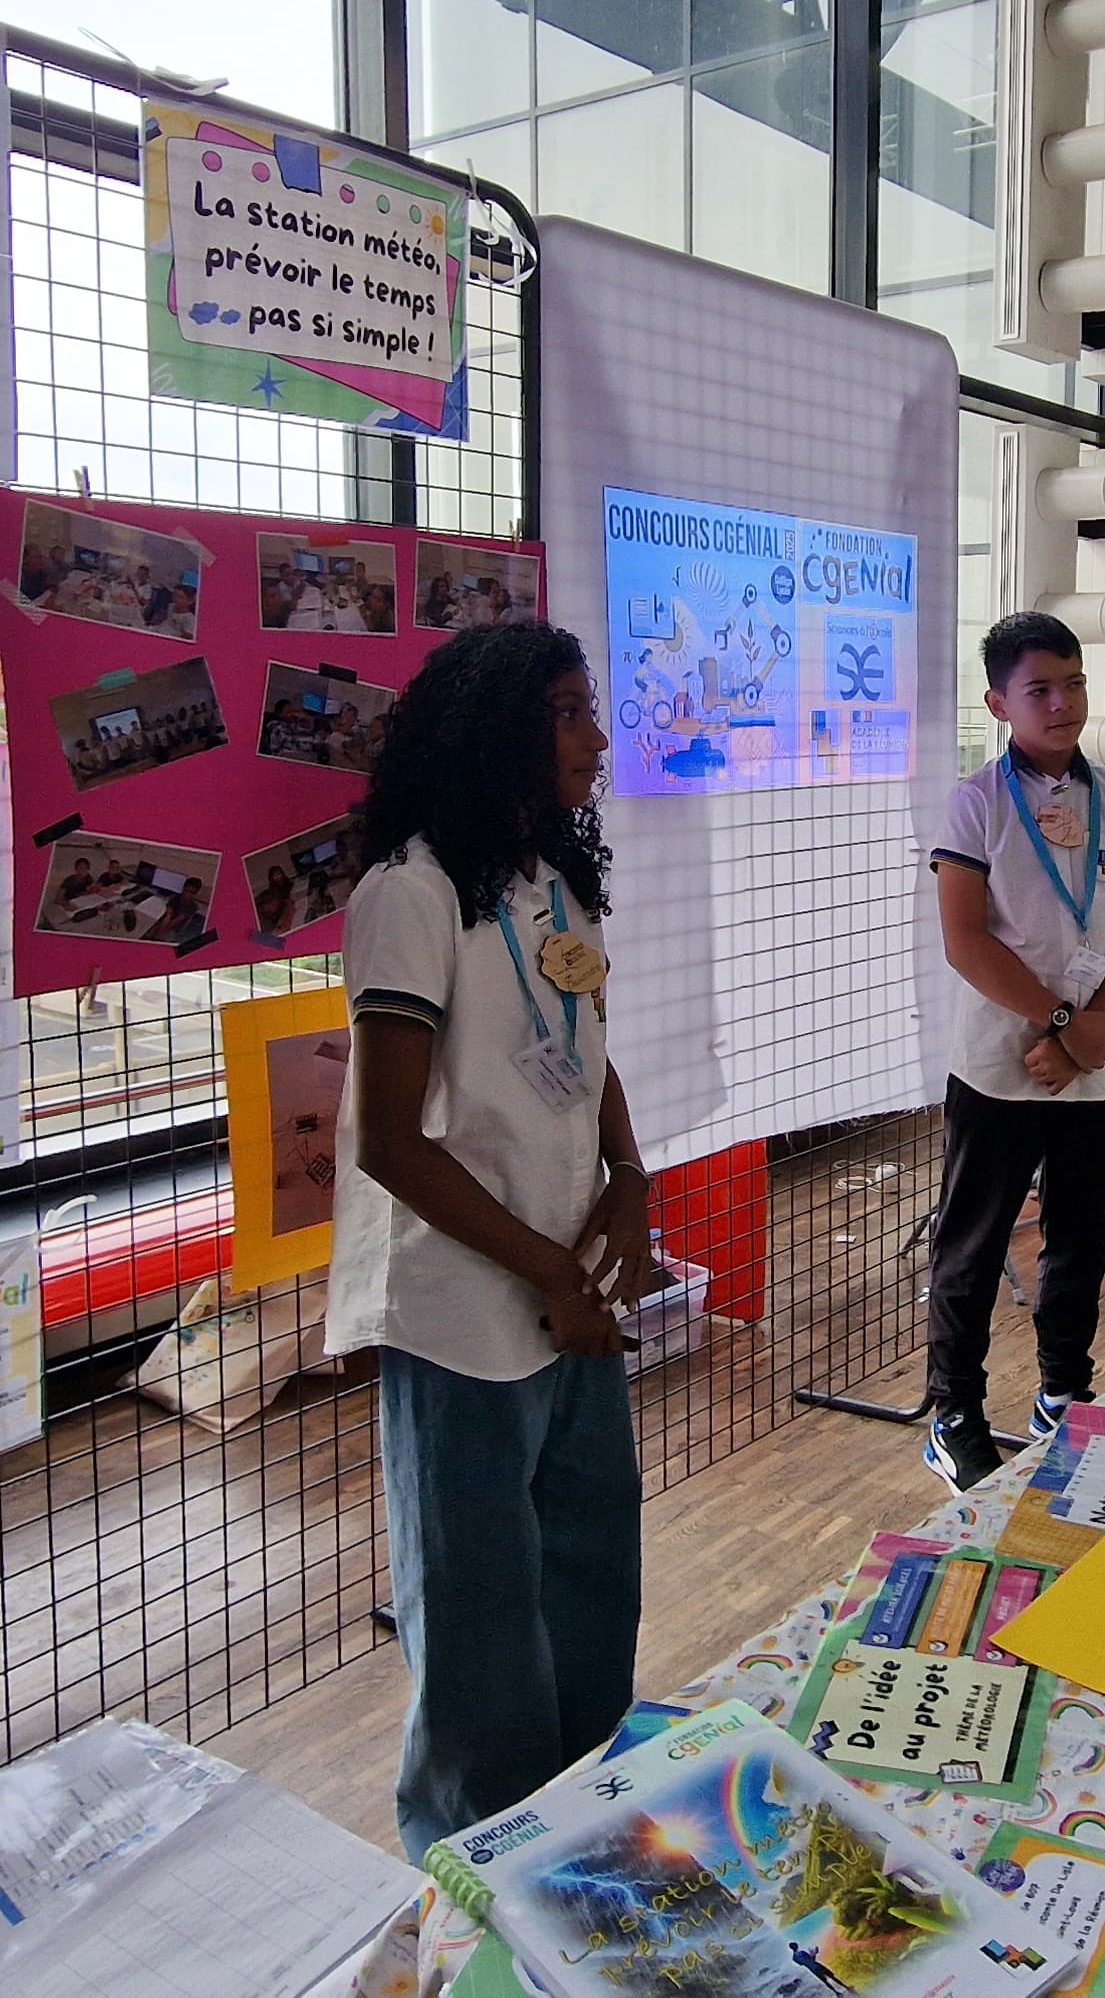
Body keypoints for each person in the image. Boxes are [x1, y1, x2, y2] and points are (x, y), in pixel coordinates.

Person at [334, 618, 658, 1857]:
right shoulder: (409, 894)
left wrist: (628, 1175)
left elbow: (587, 1050)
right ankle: (474, 1866)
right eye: (572, 712)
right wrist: (547, 1275)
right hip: (467, 1307)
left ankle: (580, 1821)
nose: (597, 736)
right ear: (500, 729)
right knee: (474, 1615)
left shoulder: (546, 881)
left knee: (588, 1570)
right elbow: (387, 1142)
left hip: (568, 1287)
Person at [920, 614, 1105, 1488]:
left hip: (1096, 1063)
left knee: (1078, 1237)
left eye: (1073, 683)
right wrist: (1067, 1024)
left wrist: (1095, 1028)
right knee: (974, 1243)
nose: (1061, 703)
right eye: (1039, 690)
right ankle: (954, 1412)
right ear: (999, 703)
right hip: (1002, 1061)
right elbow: (966, 942)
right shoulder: (976, 802)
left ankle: (1065, 1391)